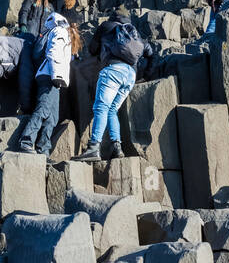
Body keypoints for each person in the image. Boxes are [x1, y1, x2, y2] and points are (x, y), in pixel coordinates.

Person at [79, 12, 153, 161]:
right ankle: (117, 147)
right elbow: (150, 52)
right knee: (112, 110)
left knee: (101, 107)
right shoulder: (134, 32)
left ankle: (93, 147)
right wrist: (146, 75)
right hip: (130, 76)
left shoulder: (106, 26)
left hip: (113, 70)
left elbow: (93, 49)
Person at [18, 14, 83, 156]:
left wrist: (73, 56)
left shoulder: (54, 32)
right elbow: (53, 52)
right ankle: (26, 141)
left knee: (52, 117)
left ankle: (44, 151)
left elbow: (60, 54)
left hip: (51, 76)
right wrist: (56, 75)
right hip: (51, 76)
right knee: (43, 110)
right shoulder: (60, 31)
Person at [17, 0, 51, 112]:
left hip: (41, 41)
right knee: (26, 68)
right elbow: (23, 12)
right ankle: (24, 103)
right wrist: (23, 25)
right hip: (29, 36)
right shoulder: (30, 0)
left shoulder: (49, 6)